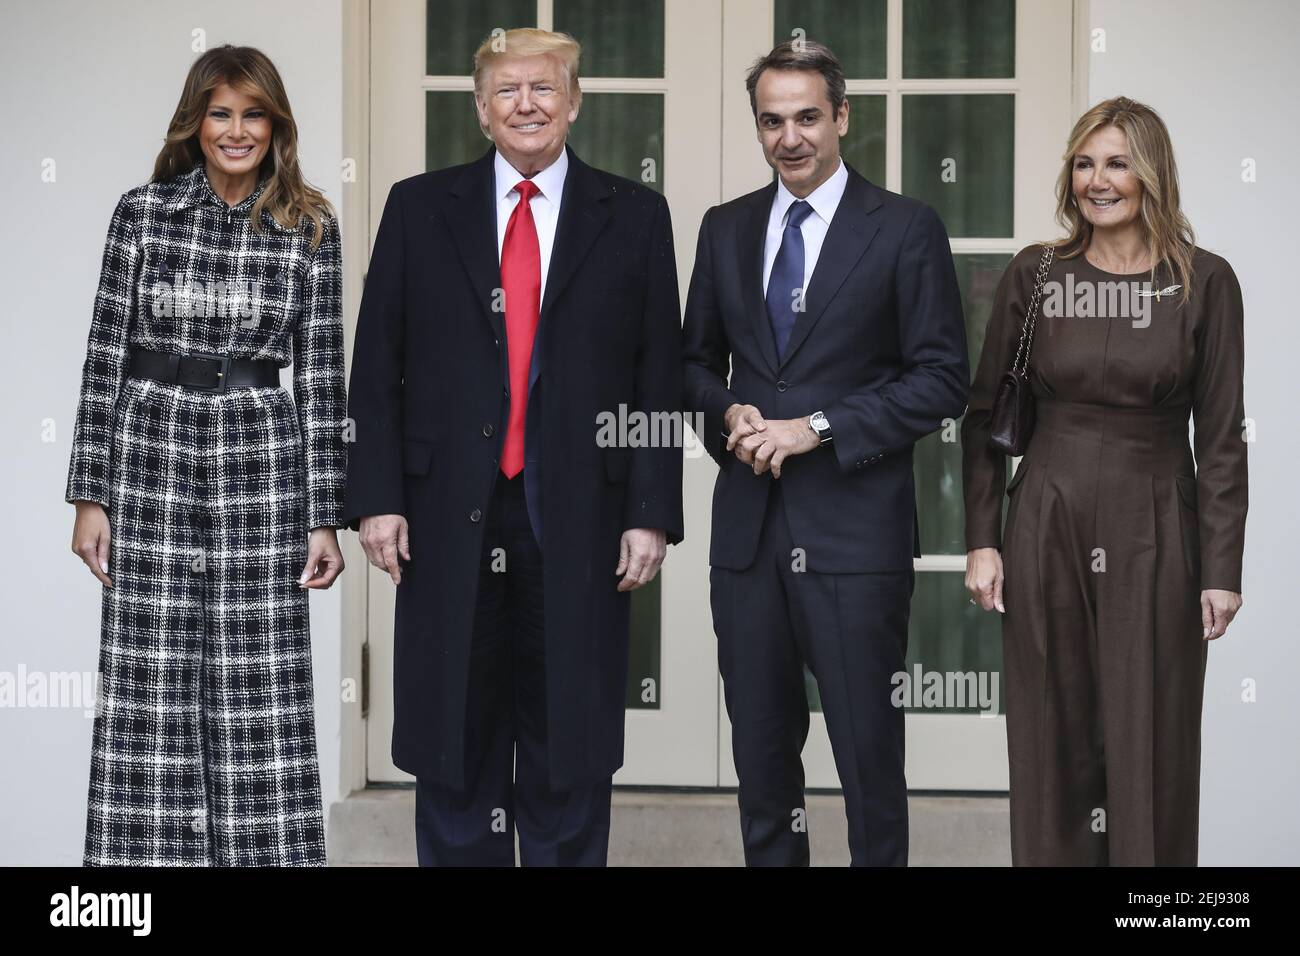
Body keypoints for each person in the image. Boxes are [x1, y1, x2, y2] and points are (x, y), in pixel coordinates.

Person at [344, 28, 683, 867]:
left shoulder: (635, 215)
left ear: (573, 103)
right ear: (480, 109)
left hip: (582, 517)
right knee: (454, 742)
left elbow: (658, 378)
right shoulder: (419, 208)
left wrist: (651, 514)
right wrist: (377, 498)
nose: (525, 104)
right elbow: (374, 367)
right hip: (444, 514)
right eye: (506, 91)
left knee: (570, 747)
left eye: (543, 89)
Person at [681, 40, 969, 866]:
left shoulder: (906, 227)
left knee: (867, 760)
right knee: (763, 761)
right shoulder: (726, 227)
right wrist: (728, 412)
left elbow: (943, 378)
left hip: (854, 537)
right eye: (772, 121)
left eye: (808, 117)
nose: (790, 137)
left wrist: (818, 428)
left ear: (842, 117)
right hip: (747, 541)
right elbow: (691, 361)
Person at [66, 45, 346, 866]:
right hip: (149, 457)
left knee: (258, 698)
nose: (236, 131)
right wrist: (91, 494)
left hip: (262, 465)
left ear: (276, 125)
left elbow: (324, 379)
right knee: (147, 697)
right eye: (221, 113)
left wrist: (325, 515)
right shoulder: (143, 212)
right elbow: (102, 356)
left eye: (253, 114)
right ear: (196, 121)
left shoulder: (311, 226)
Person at [962, 96, 1247, 865]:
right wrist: (983, 542)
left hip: (1156, 523)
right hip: (1046, 517)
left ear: (1150, 173)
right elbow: (985, 414)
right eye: (1085, 163)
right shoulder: (1036, 273)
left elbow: (1221, 440)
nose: (1098, 180)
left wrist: (1222, 570)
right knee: (1052, 731)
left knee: (1149, 734)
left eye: (1116, 162)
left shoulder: (1206, 282)